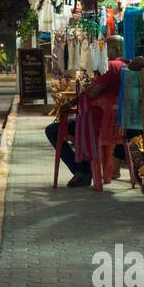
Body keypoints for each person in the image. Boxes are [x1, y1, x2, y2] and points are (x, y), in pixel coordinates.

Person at [44, 36, 126, 188]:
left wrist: (69, 104)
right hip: (118, 125)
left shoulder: (110, 67)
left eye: (106, 49)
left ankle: (82, 171)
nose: (104, 53)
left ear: (116, 49)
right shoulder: (126, 66)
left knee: (52, 130)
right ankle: (85, 170)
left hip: (98, 125)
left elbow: (91, 93)